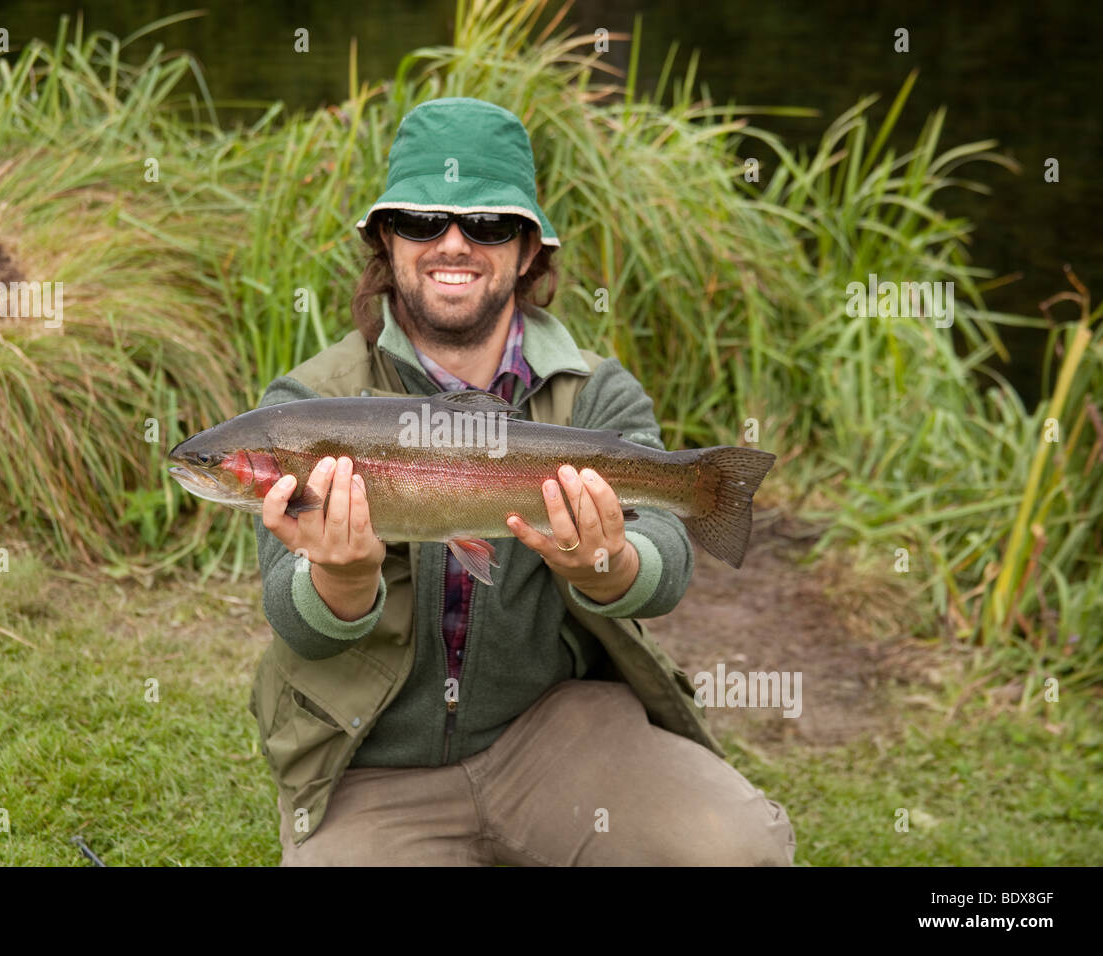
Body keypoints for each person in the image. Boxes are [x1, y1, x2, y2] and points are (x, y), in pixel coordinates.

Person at [249, 96, 795, 866]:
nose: (454, 243)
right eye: (422, 220)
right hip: (372, 761)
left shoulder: (597, 394)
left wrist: (607, 565)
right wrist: (342, 575)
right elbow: (292, 618)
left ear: (530, 250)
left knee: (736, 850)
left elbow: (667, 565)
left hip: (561, 736)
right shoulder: (307, 406)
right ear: (385, 239)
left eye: (489, 224)